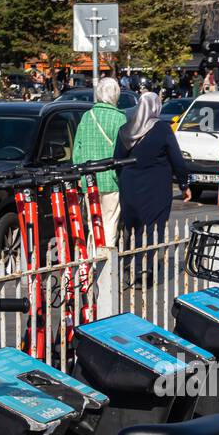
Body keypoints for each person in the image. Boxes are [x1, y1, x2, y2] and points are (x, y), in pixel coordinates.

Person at [115, 91, 191, 286]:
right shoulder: (162, 130)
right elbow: (177, 160)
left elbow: (117, 160)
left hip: (130, 186)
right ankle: (144, 270)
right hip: (156, 188)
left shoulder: (125, 130)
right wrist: (184, 184)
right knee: (152, 229)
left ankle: (131, 264)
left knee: (133, 228)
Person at [71, 77, 128, 311]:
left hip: (89, 181)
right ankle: (106, 266)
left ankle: (92, 262)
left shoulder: (86, 117)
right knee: (110, 223)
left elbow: (77, 150)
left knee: (92, 224)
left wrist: (80, 177)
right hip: (112, 180)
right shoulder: (120, 118)